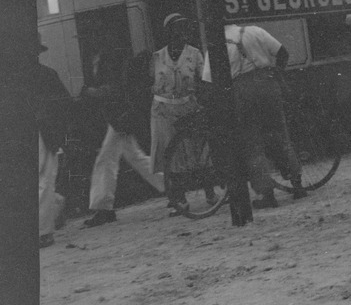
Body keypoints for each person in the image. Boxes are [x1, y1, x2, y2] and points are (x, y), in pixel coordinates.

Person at [202, 23, 306, 207]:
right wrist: (276, 73)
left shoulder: (216, 45)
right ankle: (298, 185)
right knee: (281, 135)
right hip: (268, 85)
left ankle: (268, 195)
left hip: (242, 91)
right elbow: (283, 53)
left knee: (253, 144)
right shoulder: (254, 31)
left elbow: (208, 81)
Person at [81, 46, 165, 228]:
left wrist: (94, 92)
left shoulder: (108, 60)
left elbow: (115, 88)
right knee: (135, 157)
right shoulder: (109, 57)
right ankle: (171, 186)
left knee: (106, 159)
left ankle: (103, 208)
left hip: (119, 117)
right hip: (120, 117)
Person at [150, 14, 217, 216]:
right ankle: (179, 200)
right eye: (177, 29)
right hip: (163, 111)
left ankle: (211, 194)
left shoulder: (194, 54)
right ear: (169, 33)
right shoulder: (157, 57)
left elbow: (204, 80)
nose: (182, 33)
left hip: (188, 107)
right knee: (171, 156)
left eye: (184, 28)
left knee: (199, 151)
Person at [36, 34, 72, 248]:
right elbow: (65, 103)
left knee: (43, 180)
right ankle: (55, 207)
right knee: (44, 180)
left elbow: (63, 104)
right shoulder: (47, 74)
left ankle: (44, 230)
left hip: (43, 132)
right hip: (44, 132)